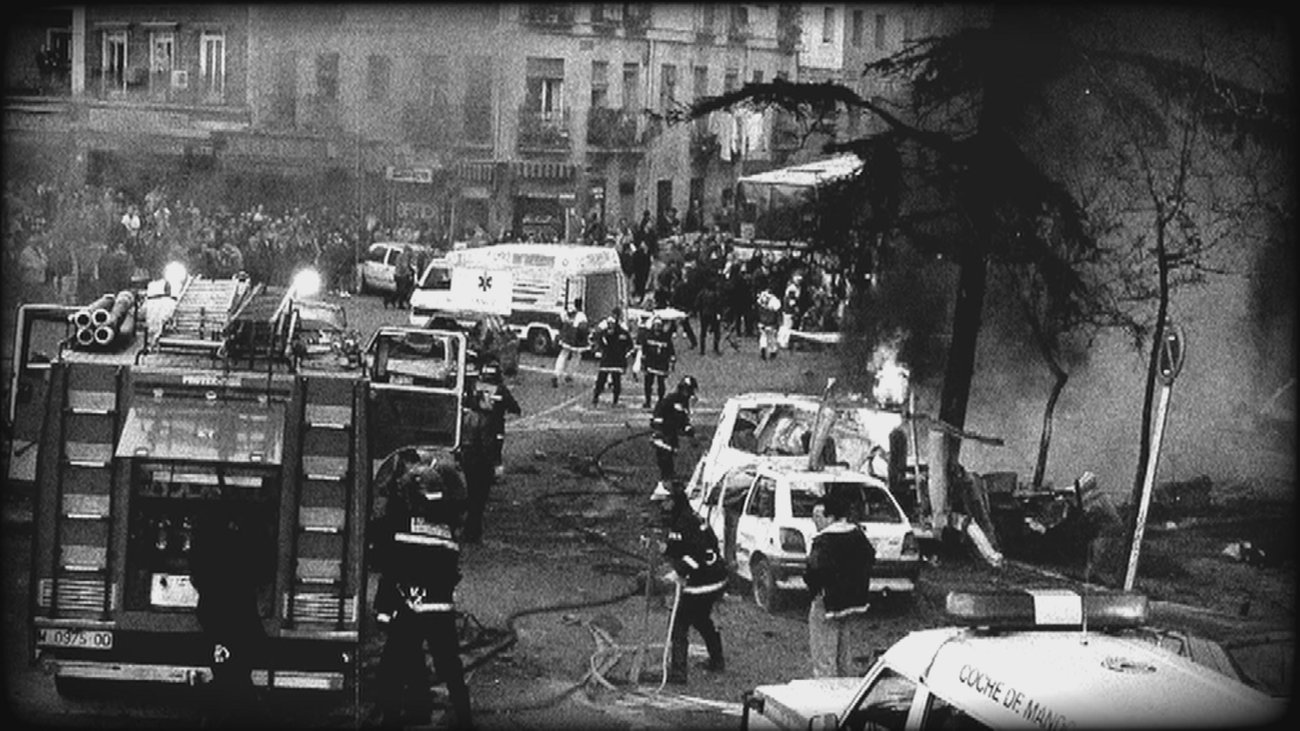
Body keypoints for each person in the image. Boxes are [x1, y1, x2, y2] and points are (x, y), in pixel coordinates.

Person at [371, 458, 473, 728]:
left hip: (411, 606)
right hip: (440, 609)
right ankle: (463, 717)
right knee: (449, 667)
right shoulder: (446, 532)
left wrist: (382, 613)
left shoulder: (403, 527)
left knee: (392, 668)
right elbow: (449, 574)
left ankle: (391, 719)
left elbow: (392, 573)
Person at [190, 509, 271, 725]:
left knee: (229, 675)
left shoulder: (204, 544)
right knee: (237, 675)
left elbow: (195, 576)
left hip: (216, 618)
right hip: (240, 619)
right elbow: (262, 572)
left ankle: (216, 713)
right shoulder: (246, 547)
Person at [805, 490, 875, 678]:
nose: (815, 521)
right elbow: (869, 558)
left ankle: (826, 697)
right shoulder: (857, 535)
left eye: (818, 516)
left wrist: (814, 589)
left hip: (826, 602)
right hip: (852, 602)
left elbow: (814, 571)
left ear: (831, 517)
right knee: (844, 654)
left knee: (824, 657)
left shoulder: (823, 541)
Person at [661, 489, 727, 685]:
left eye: (664, 502)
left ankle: (678, 672)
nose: (661, 507)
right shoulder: (693, 517)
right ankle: (717, 660)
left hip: (702, 584)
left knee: (679, 623)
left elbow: (696, 555)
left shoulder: (683, 522)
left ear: (673, 501)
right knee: (701, 619)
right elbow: (695, 545)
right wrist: (667, 549)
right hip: (717, 579)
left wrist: (678, 571)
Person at [650, 376, 698, 500]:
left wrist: (688, 429)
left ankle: (668, 482)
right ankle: (663, 484)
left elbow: (683, 421)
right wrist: (658, 432)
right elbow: (657, 416)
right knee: (664, 458)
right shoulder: (669, 400)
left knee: (670, 457)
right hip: (663, 435)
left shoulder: (684, 404)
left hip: (672, 436)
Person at [457, 399, 497, 544]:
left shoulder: (467, 417)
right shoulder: (486, 420)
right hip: (480, 463)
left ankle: (468, 529)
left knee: (472, 494)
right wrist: (493, 464)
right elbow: (487, 446)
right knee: (479, 499)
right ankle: (473, 531)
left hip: (468, 460)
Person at [474, 358, 521, 478]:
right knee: (495, 447)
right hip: (495, 423)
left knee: (475, 443)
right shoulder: (501, 389)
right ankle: (495, 470)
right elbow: (513, 406)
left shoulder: (475, 386)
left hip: (476, 421)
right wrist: (515, 410)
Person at [592, 307, 634, 406]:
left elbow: (630, 346)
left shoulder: (623, 330)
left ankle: (614, 400)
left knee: (616, 381)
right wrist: (600, 349)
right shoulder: (604, 330)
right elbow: (596, 338)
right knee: (601, 380)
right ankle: (596, 397)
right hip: (607, 360)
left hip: (616, 361)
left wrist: (624, 356)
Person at [638, 316, 676, 409]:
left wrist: (672, 363)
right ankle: (648, 401)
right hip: (650, 363)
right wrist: (643, 364)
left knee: (661, 383)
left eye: (659, 325)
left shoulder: (666, 338)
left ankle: (660, 401)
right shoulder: (648, 336)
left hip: (661, 364)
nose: (657, 327)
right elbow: (644, 351)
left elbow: (671, 352)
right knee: (648, 383)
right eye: (656, 325)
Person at [552, 298, 590, 388]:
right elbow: (583, 329)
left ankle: (556, 374)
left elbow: (561, 320)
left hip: (566, 337)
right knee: (576, 356)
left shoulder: (568, 313)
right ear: (581, 305)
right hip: (576, 339)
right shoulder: (582, 316)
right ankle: (569, 375)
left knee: (563, 354)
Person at [756, 288, 782, 361]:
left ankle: (763, 349)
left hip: (762, 321)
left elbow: (758, 310)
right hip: (771, 322)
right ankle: (772, 353)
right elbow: (777, 312)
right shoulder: (775, 301)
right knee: (772, 339)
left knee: (763, 336)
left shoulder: (760, 298)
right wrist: (778, 323)